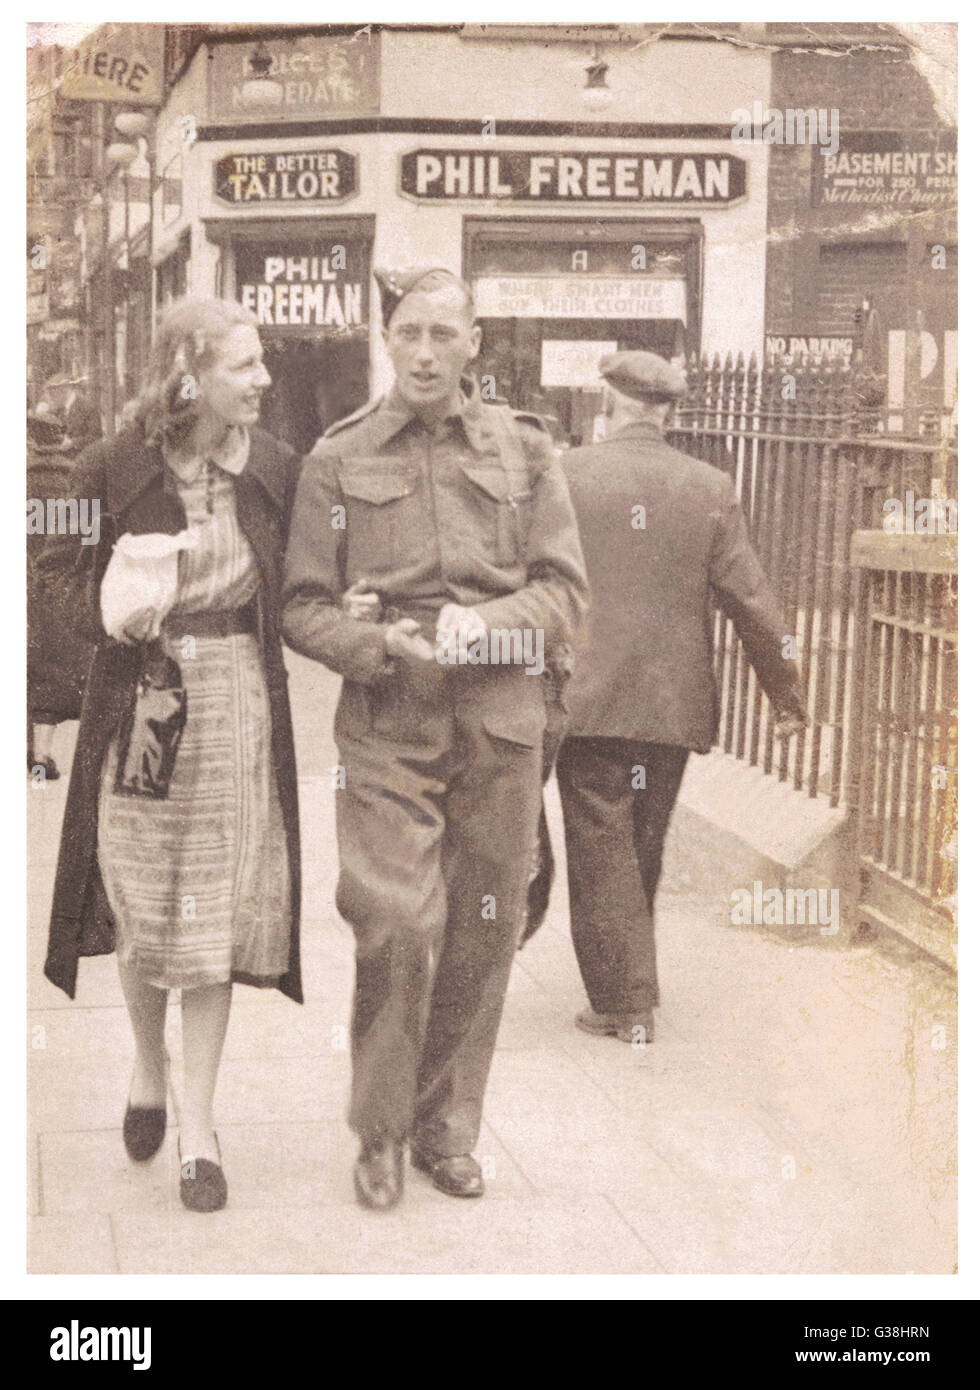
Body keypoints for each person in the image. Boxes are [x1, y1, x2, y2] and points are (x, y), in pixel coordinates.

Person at [282, 267, 588, 1209]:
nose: (423, 353)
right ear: (387, 338)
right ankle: (378, 1129)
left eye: (442, 336)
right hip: (388, 724)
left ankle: (445, 1127)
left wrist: (489, 625)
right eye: (408, 333)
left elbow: (565, 592)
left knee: (482, 930)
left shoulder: (527, 451)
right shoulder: (335, 459)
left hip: (500, 722)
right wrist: (371, 639)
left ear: (473, 346)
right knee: (394, 922)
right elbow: (299, 606)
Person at [38, 298, 303, 1212]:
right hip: (143, 700)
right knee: (144, 897)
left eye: (263, 360)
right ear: (190, 375)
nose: (265, 378)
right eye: (246, 363)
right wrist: (110, 614)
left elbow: (308, 583)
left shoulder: (276, 467)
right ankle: (147, 1067)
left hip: (237, 705)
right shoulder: (109, 466)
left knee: (217, 912)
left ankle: (198, 1124)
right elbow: (47, 571)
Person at [555, 351, 808, 1043]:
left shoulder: (568, 474)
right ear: (668, 412)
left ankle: (624, 1000)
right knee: (642, 839)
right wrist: (785, 693)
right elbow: (750, 599)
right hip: (672, 702)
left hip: (591, 696)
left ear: (606, 404)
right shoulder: (709, 486)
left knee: (597, 839)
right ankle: (627, 985)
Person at [27, 406, 95, 779]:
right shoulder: (78, 481)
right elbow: (92, 540)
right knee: (61, 675)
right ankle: (49, 756)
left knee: (29, 669)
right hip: (63, 590)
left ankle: (32, 753)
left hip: (27, 586)